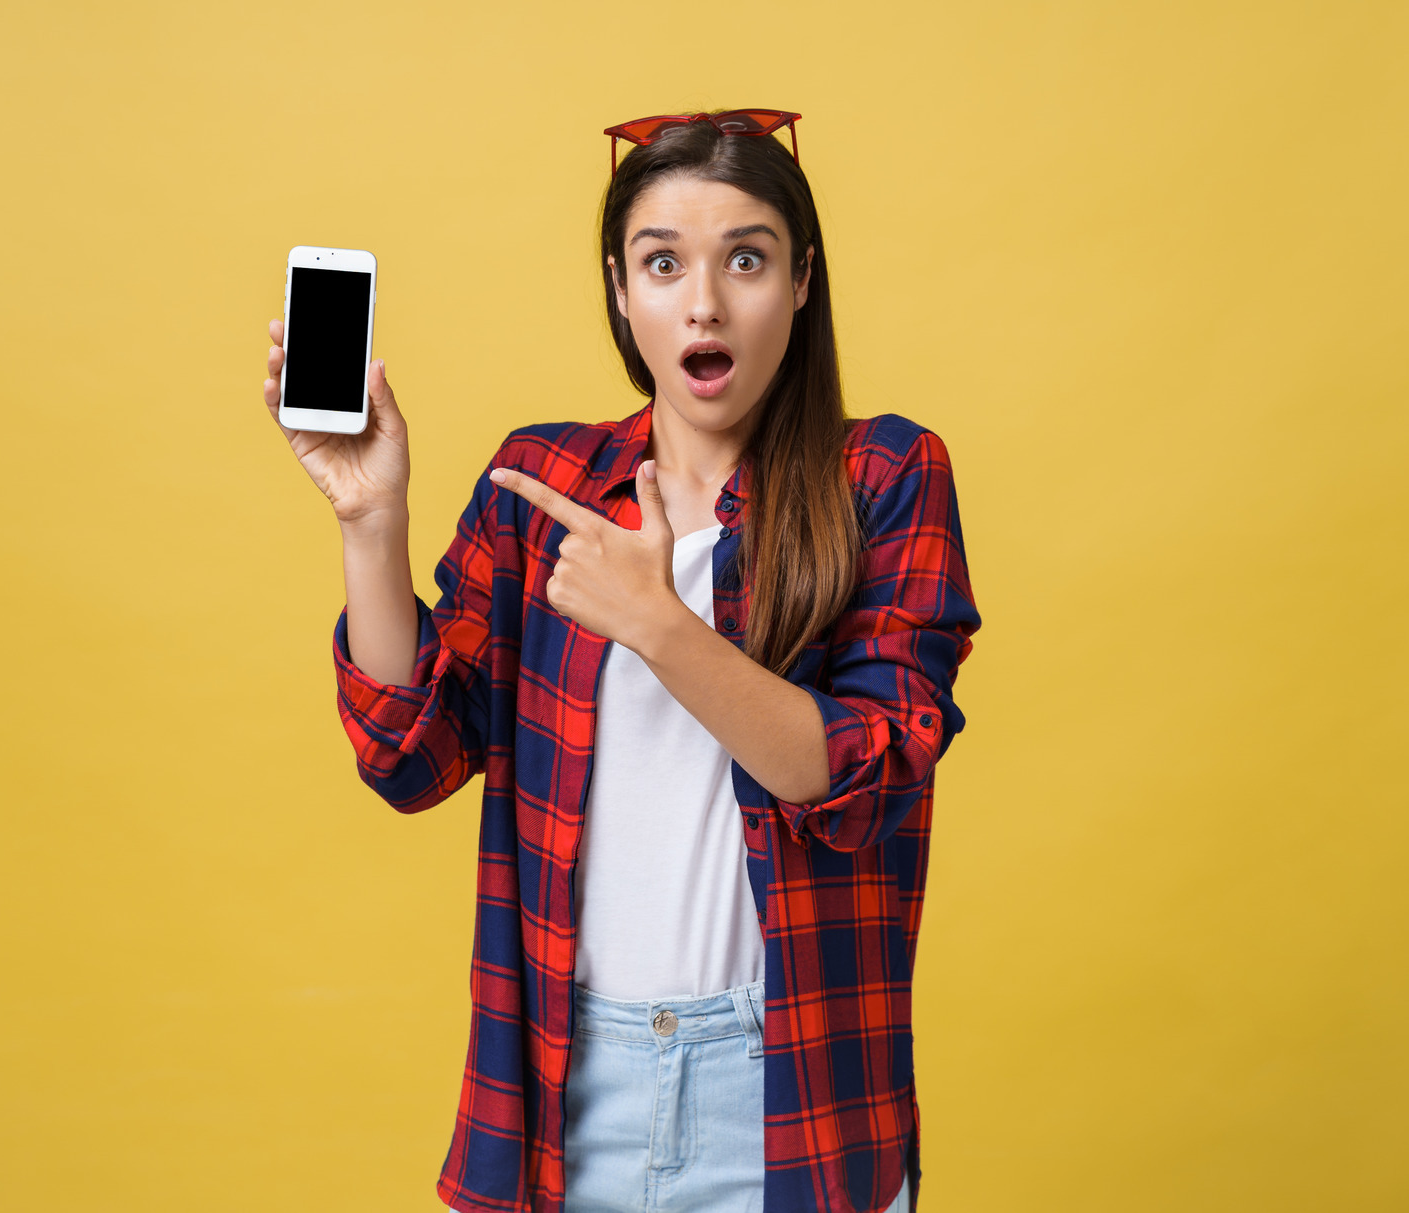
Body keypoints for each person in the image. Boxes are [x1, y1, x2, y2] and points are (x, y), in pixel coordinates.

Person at [261, 108, 980, 1213]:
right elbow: (409, 757)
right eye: (662, 263)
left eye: (745, 258)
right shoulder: (542, 485)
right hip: (562, 1088)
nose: (703, 301)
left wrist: (659, 625)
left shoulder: (881, 476)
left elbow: (859, 774)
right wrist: (372, 520)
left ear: (798, 282)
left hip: (783, 1100)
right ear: (618, 289)